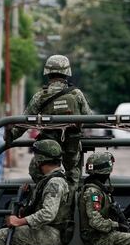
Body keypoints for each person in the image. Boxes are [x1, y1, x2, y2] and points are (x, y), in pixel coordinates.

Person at [9, 54, 93, 184]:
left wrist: (9, 135)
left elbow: (23, 124)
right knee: (74, 176)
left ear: (48, 74)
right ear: (67, 73)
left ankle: (46, 192)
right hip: (72, 146)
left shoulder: (40, 96)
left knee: (36, 171)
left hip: (47, 150)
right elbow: (89, 118)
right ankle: (71, 196)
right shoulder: (76, 94)